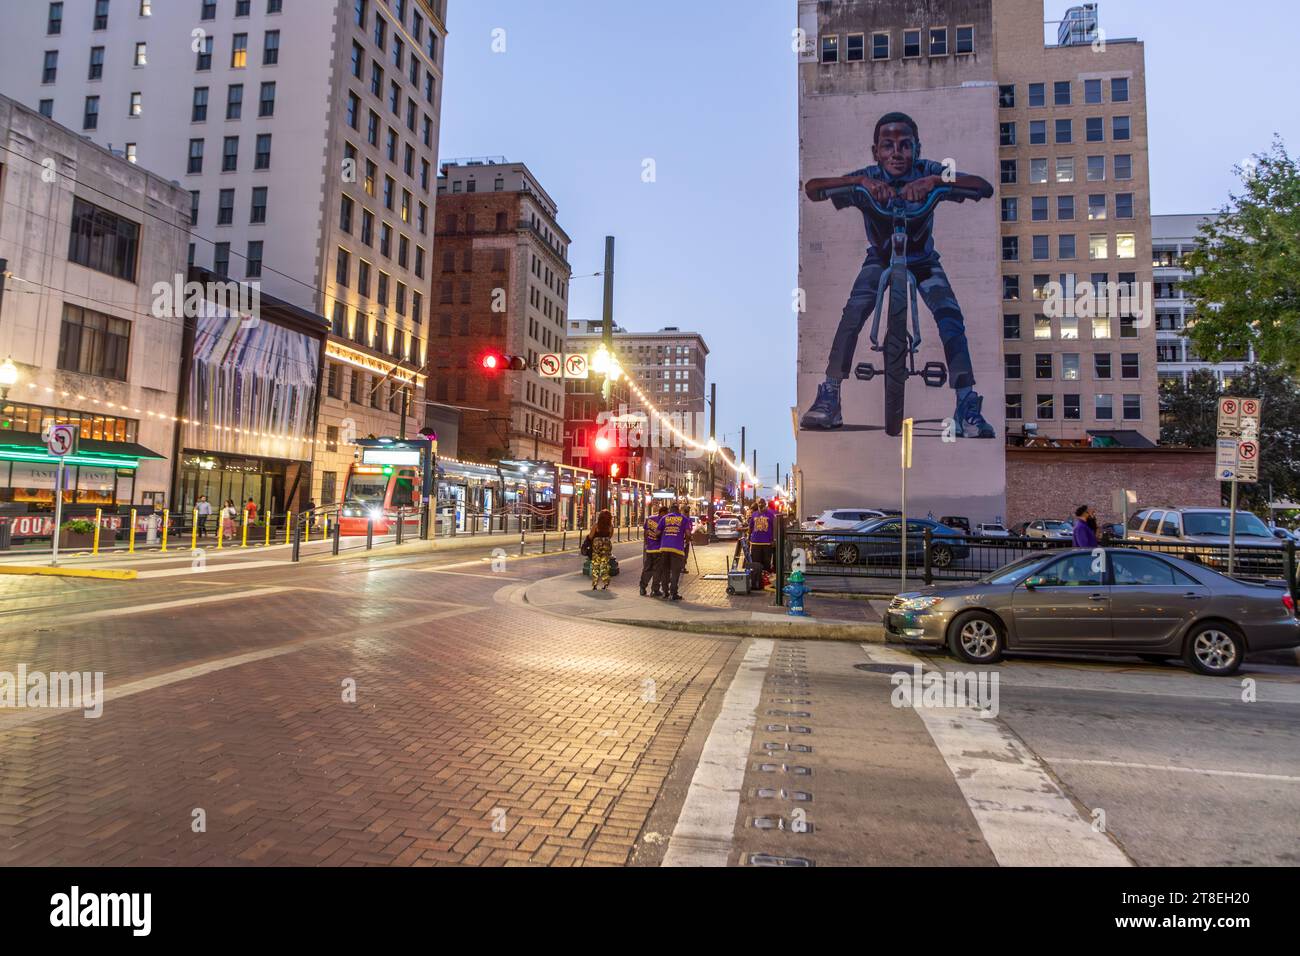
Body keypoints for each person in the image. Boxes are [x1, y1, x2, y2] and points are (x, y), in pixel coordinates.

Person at [800, 111, 997, 438]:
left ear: (917, 149)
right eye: (887, 146)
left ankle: (966, 402)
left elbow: (982, 186)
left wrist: (936, 182)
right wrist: (858, 183)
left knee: (950, 316)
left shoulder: (929, 171)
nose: (896, 153)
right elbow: (813, 188)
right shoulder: (868, 176)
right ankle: (830, 393)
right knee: (853, 312)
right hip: (879, 258)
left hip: (922, 260)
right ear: (875, 151)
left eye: (905, 146)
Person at [653, 501, 690, 601]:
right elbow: (687, 534)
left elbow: (657, 532)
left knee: (665, 570)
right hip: (677, 549)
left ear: (670, 510)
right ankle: (673, 593)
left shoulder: (664, 518)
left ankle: (665, 592)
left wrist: (665, 535)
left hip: (664, 548)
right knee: (675, 572)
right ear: (678, 510)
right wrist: (687, 539)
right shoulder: (684, 519)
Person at [748, 498, 777, 590]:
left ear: (765, 504)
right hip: (755, 542)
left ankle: (766, 582)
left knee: (766, 563)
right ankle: (757, 581)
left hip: (767, 543)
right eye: (759, 503)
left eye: (762, 503)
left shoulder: (771, 514)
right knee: (756, 563)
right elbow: (750, 527)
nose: (760, 504)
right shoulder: (754, 514)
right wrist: (749, 538)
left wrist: (774, 539)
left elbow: (774, 528)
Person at [640, 505, 666, 597]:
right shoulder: (664, 520)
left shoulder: (650, 519)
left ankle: (642, 588)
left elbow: (646, 533)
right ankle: (655, 590)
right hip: (659, 549)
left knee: (647, 569)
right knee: (657, 570)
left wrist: (647, 544)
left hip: (649, 549)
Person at [586, 509, 615, 591]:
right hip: (606, 547)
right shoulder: (610, 526)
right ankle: (605, 583)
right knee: (605, 565)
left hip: (596, 547)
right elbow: (610, 536)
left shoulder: (596, 525)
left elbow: (591, 536)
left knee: (595, 565)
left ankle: (595, 584)